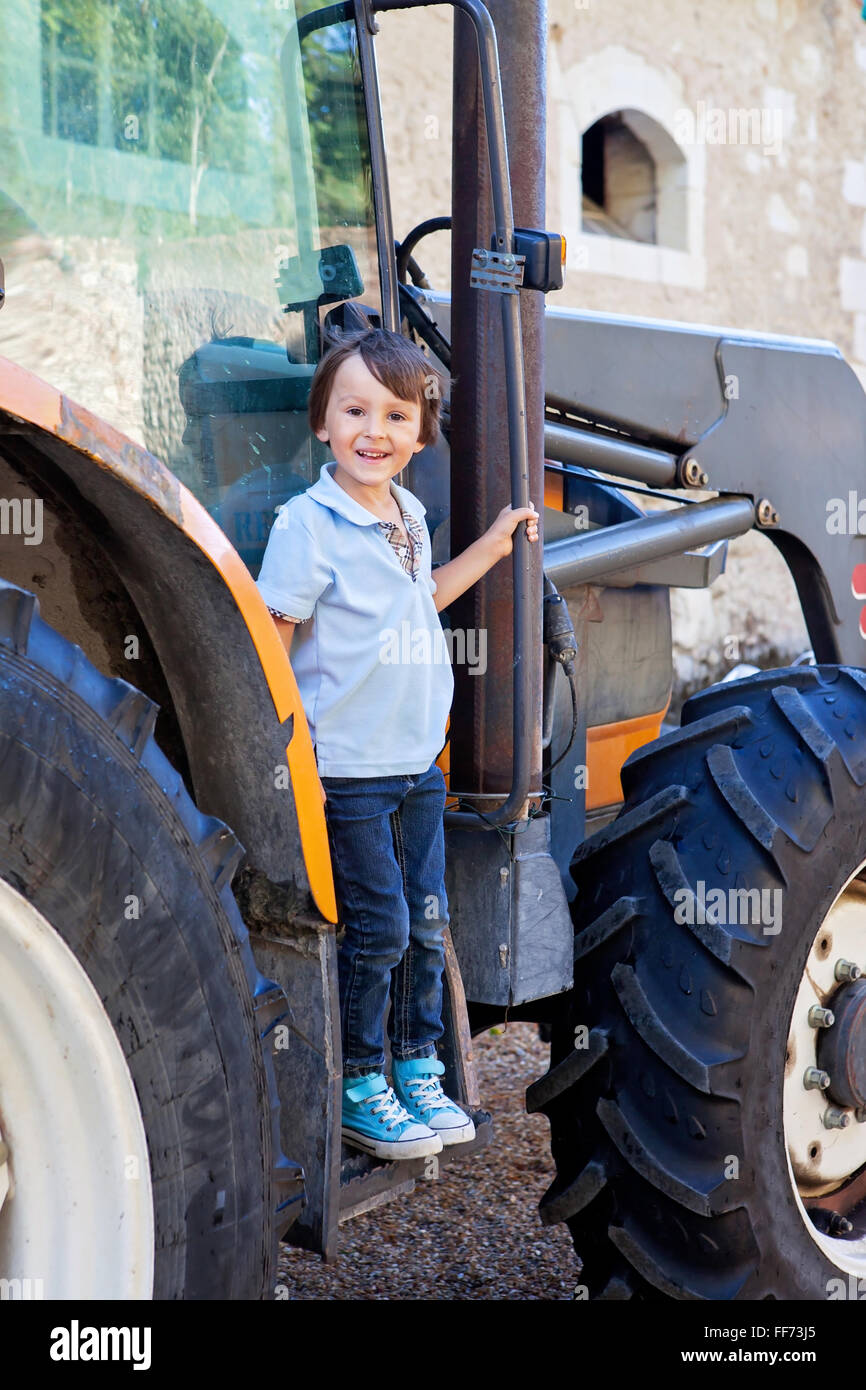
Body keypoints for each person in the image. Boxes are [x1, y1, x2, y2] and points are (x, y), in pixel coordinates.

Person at [256, 327, 539, 1161]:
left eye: (394, 413)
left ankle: (417, 1065)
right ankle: (359, 1082)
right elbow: (274, 641)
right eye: (354, 410)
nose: (372, 429)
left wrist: (490, 546)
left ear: (419, 434)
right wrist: (284, 752)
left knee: (423, 922)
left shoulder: (406, 513)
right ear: (322, 423)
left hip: (417, 765)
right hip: (348, 770)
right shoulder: (308, 525)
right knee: (376, 927)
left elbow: (423, 602)